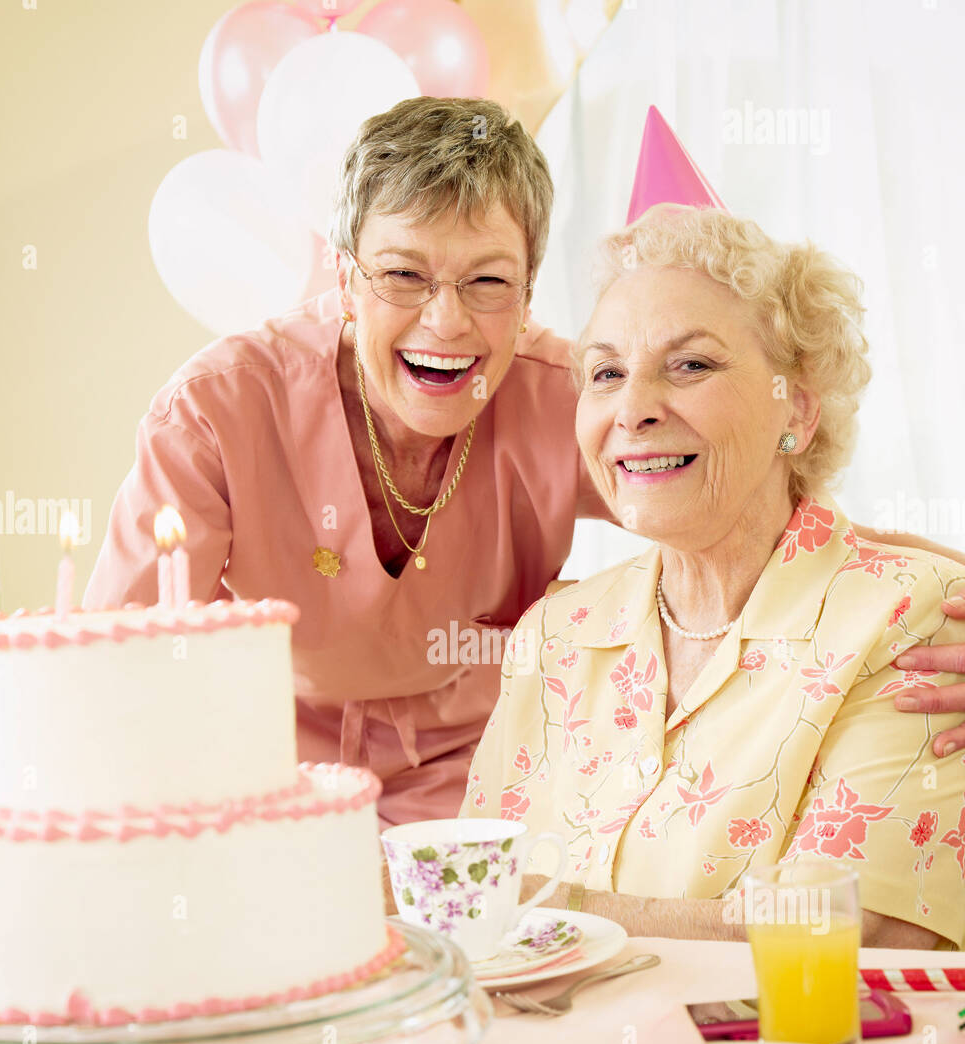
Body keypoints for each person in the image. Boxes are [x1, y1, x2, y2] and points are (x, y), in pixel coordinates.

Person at [84, 97, 965, 827]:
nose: (446, 321)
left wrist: (919, 601)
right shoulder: (217, 409)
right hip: (273, 784)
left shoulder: (578, 397)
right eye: (402, 276)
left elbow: (751, 508)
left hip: (484, 781)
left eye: (487, 282)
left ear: (531, 291)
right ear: (345, 280)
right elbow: (115, 665)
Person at [460, 205, 965, 949]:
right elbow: (473, 924)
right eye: (606, 373)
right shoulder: (556, 634)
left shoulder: (909, 615)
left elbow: (855, 937)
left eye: (690, 364)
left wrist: (544, 907)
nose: (632, 409)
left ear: (796, 406)